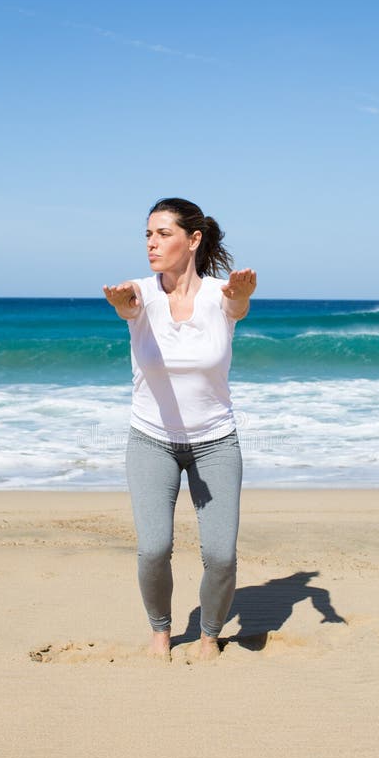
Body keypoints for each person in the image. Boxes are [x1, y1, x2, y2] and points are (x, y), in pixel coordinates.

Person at [103, 197, 257, 660]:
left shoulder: (221, 295)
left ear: (192, 240)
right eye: (147, 234)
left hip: (215, 443)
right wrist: (120, 304)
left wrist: (243, 294)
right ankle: (160, 633)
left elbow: (240, 307)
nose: (152, 243)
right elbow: (128, 306)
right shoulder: (140, 295)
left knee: (222, 557)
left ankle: (210, 634)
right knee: (153, 548)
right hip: (151, 439)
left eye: (163, 234)